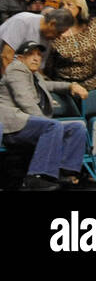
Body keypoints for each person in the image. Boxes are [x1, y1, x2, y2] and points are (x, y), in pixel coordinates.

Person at [0, 40, 89, 190]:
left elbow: (50, 85)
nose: (36, 58)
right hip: (13, 127)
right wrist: (49, 124)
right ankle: (36, 177)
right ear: (20, 58)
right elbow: (25, 102)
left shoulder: (33, 75)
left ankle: (64, 172)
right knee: (52, 125)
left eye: (39, 55)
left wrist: (71, 86)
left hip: (28, 125)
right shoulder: (16, 70)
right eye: (30, 55)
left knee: (78, 127)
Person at [46, 0, 96, 90]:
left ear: (80, 7)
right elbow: (48, 63)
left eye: (69, 4)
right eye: (62, 5)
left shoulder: (94, 24)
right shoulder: (56, 30)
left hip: (93, 84)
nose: (64, 8)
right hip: (65, 87)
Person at [0, 8, 74, 73]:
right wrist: (12, 85)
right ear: (52, 24)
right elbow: (6, 57)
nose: (59, 37)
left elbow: (38, 69)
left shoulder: (48, 37)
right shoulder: (23, 21)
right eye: (59, 32)